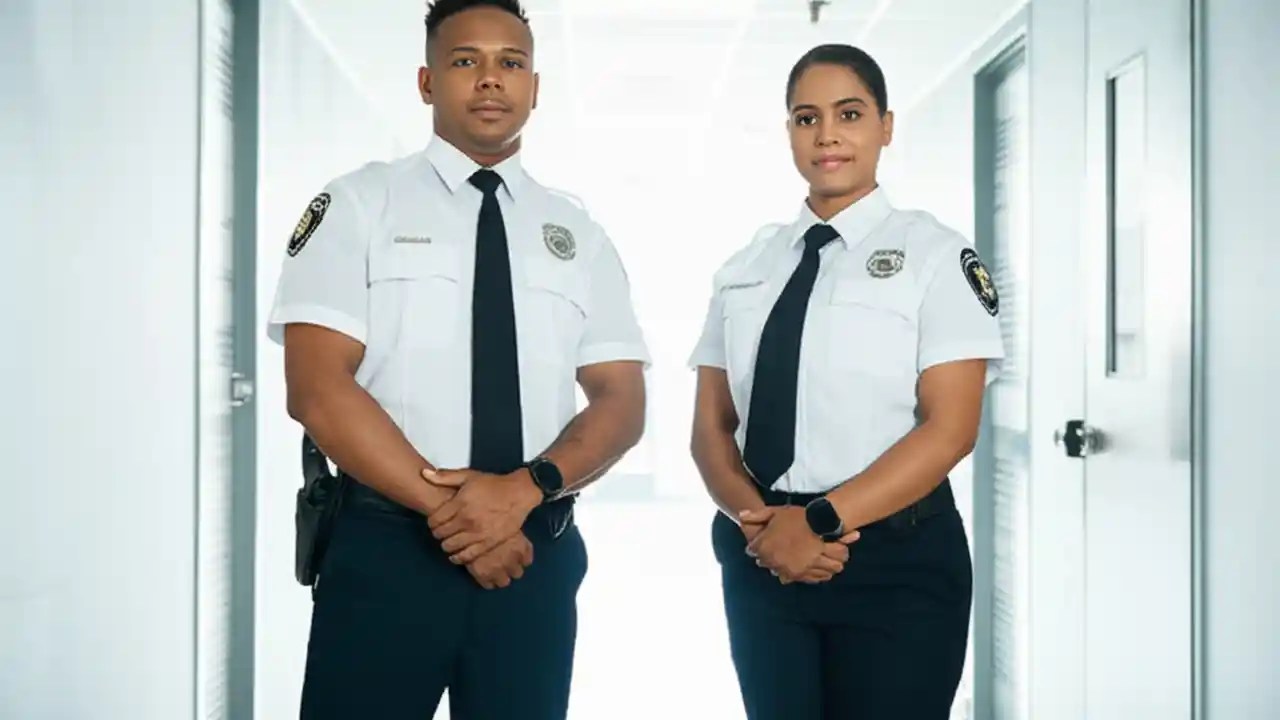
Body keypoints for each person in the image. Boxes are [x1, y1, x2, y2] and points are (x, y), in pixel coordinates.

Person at [266, 1, 649, 717]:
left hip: (532, 557)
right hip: (386, 553)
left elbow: (621, 400)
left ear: (534, 87)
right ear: (426, 81)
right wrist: (462, 516)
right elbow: (317, 389)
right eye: (465, 61)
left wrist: (526, 490)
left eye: (511, 63)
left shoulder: (577, 232)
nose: (490, 80)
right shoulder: (357, 205)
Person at [688, 43, 1005, 719]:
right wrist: (762, 529)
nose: (827, 133)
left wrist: (822, 523)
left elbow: (951, 429)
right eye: (807, 118)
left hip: (894, 561)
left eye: (850, 113)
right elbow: (711, 429)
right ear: (789, 134)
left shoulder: (936, 256)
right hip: (764, 551)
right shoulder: (749, 265)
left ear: (886, 126)